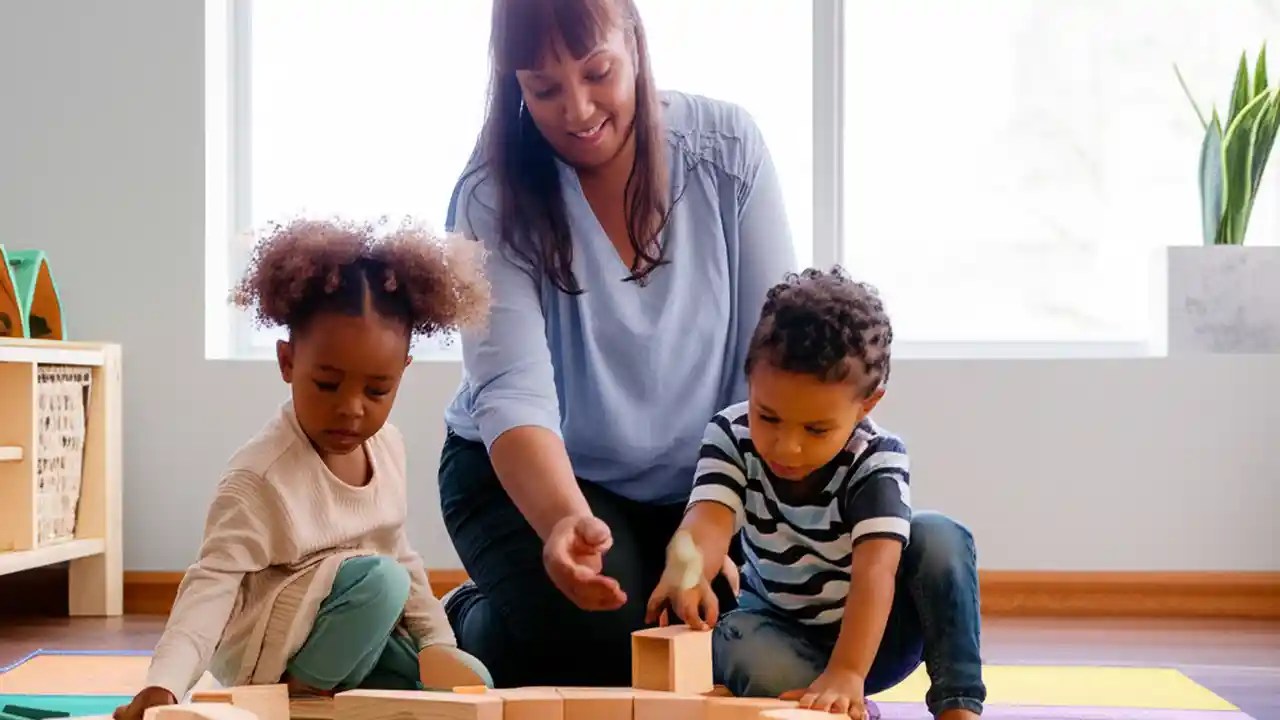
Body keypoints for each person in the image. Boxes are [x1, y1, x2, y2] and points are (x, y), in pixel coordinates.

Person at [437, 0, 797, 688]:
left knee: (769, 635)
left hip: (710, 480)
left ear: (634, 42)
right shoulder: (488, 197)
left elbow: (774, 361)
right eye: (542, 88)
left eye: (598, 72)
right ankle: (467, 620)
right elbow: (512, 396)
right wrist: (563, 522)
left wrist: (714, 518)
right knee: (615, 644)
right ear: (512, 83)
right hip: (540, 481)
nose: (576, 109)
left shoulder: (727, 149)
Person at [114, 218, 494, 720]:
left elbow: (399, 553)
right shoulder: (260, 478)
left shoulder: (388, 447)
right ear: (288, 362)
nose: (352, 409)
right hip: (267, 656)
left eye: (377, 390)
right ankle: (298, 700)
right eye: (328, 384)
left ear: (403, 370)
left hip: (348, 618)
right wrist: (163, 685)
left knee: (452, 681)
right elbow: (212, 586)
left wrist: (435, 642)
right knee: (381, 583)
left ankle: (336, 687)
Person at [646, 268, 986, 720]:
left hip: (876, 637)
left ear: (867, 404)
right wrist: (688, 572)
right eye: (769, 417)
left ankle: (956, 704)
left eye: (816, 429)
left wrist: (848, 670)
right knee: (737, 647)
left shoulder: (875, 459)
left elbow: (875, 574)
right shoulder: (731, 433)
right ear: (750, 379)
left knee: (939, 536)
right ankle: (832, 706)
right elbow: (709, 518)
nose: (787, 447)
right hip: (781, 631)